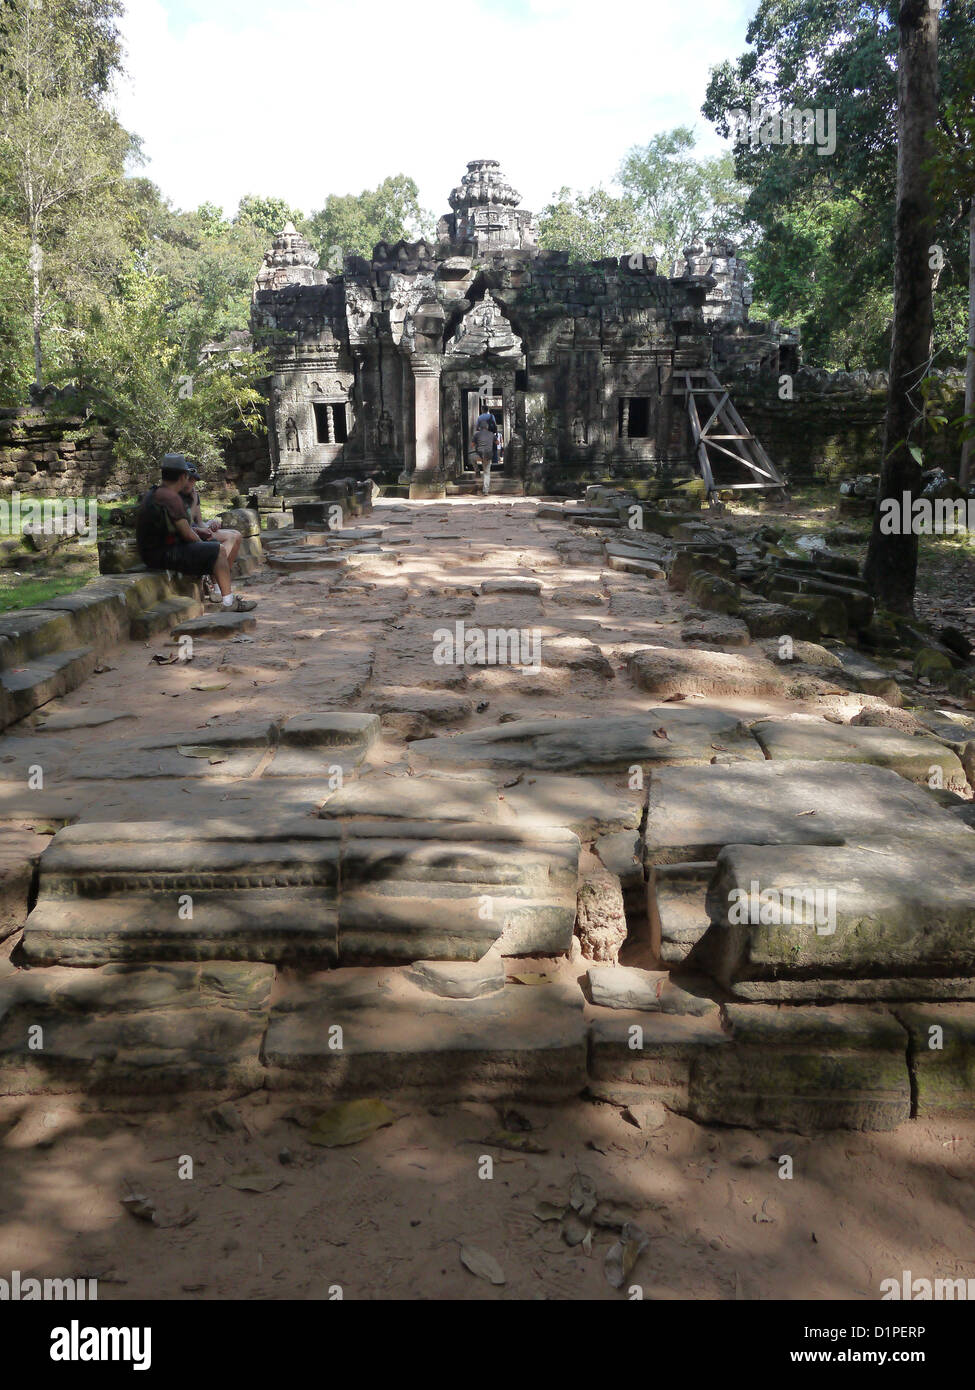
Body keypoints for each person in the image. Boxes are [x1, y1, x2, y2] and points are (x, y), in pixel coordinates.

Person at [135, 454, 256, 612]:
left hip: (153, 553)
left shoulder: (155, 493)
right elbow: (187, 534)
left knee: (212, 546)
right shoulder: (171, 498)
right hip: (162, 555)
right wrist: (206, 550)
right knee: (218, 550)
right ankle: (228, 602)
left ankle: (221, 593)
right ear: (184, 476)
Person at [178, 462, 243, 600]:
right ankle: (217, 584)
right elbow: (186, 525)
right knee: (230, 538)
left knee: (237, 535)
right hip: (190, 534)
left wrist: (211, 524)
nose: (191, 483)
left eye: (194, 481)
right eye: (189, 479)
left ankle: (221, 582)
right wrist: (202, 529)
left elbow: (200, 521)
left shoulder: (194, 495)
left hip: (198, 530)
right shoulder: (175, 498)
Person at [472, 409, 498, 496]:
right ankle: (485, 491)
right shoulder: (491, 434)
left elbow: (472, 445)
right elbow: (497, 443)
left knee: (471, 457)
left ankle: (477, 470)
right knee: (487, 473)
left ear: (480, 427)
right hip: (488, 455)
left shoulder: (476, 434)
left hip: (479, 455)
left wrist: (478, 442)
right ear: (487, 427)